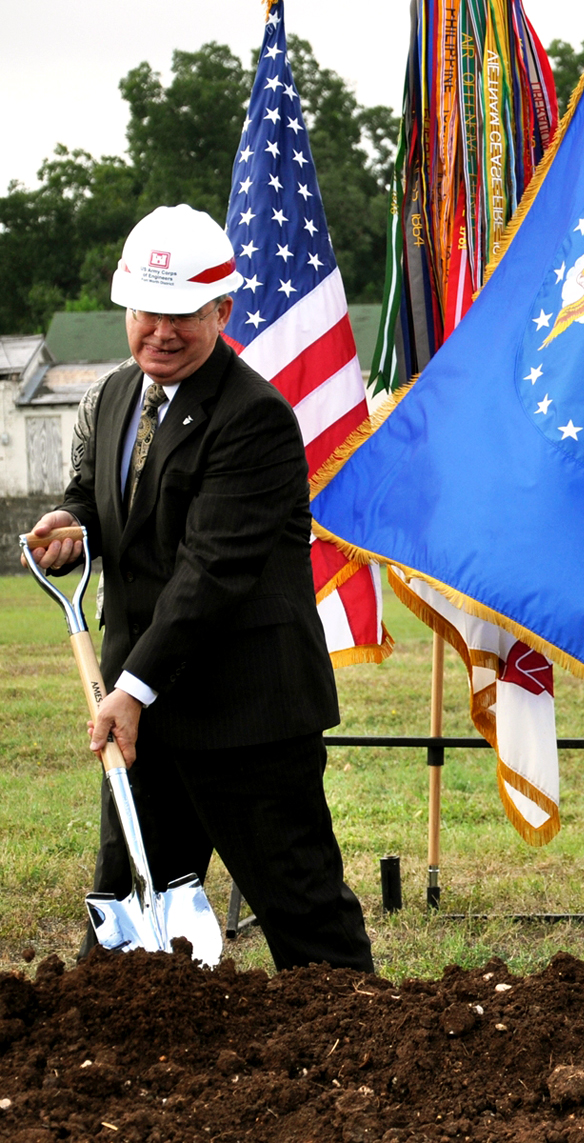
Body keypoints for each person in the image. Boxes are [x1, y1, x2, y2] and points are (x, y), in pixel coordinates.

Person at [26, 204, 373, 972]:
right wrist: (73, 523)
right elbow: (106, 496)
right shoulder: (118, 393)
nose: (161, 331)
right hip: (144, 716)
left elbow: (211, 571)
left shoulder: (255, 418)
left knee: (304, 911)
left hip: (246, 713)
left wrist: (132, 689)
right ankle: (103, 1074)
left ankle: (366, 1058)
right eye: (147, 311)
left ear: (223, 309)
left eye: (183, 313)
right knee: (122, 923)